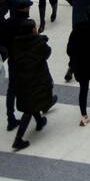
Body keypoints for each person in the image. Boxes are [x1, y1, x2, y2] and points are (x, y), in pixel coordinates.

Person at [10, 18, 55, 151]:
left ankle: (40, 121)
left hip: (22, 79)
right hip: (36, 78)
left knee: (32, 101)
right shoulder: (38, 43)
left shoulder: (16, 42)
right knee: (30, 108)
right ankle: (18, 139)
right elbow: (47, 53)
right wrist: (42, 40)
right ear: (32, 30)